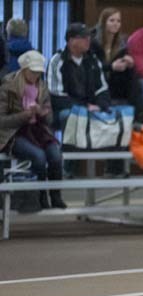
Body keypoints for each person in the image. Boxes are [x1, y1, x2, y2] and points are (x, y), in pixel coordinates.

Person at [0, 51, 63, 211]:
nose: (36, 75)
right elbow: (2, 121)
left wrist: (44, 113)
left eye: (38, 72)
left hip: (38, 130)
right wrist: (24, 115)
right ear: (24, 69)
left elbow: (50, 119)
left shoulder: (42, 87)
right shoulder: (8, 87)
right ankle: (41, 196)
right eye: (33, 71)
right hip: (14, 133)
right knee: (39, 157)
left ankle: (56, 196)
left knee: (55, 156)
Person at [47, 23, 112, 129]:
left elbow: (102, 88)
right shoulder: (57, 61)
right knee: (68, 115)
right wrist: (84, 108)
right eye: (83, 37)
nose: (88, 40)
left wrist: (100, 106)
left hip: (92, 107)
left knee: (113, 112)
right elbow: (57, 97)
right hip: (67, 109)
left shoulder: (93, 60)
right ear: (71, 41)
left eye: (89, 37)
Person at [90, 8, 135, 103]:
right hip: (96, 80)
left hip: (115, 81)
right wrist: (111, 67)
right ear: (103, 22)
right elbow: (91, 66)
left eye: (118, 21)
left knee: (133, 73)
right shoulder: (93, 41)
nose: (116, 24)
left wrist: (128, 63)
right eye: (112, 20)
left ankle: (137, 110)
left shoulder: (122, 43)